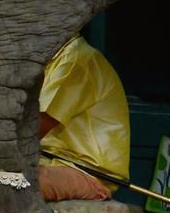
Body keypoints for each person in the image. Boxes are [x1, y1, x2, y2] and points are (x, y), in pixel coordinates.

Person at [38, 34, 130, 202]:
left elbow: (36, 128)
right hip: (50, 160)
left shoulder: (76, 58)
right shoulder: (49, 56)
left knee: (13, 185)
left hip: (86, 172)